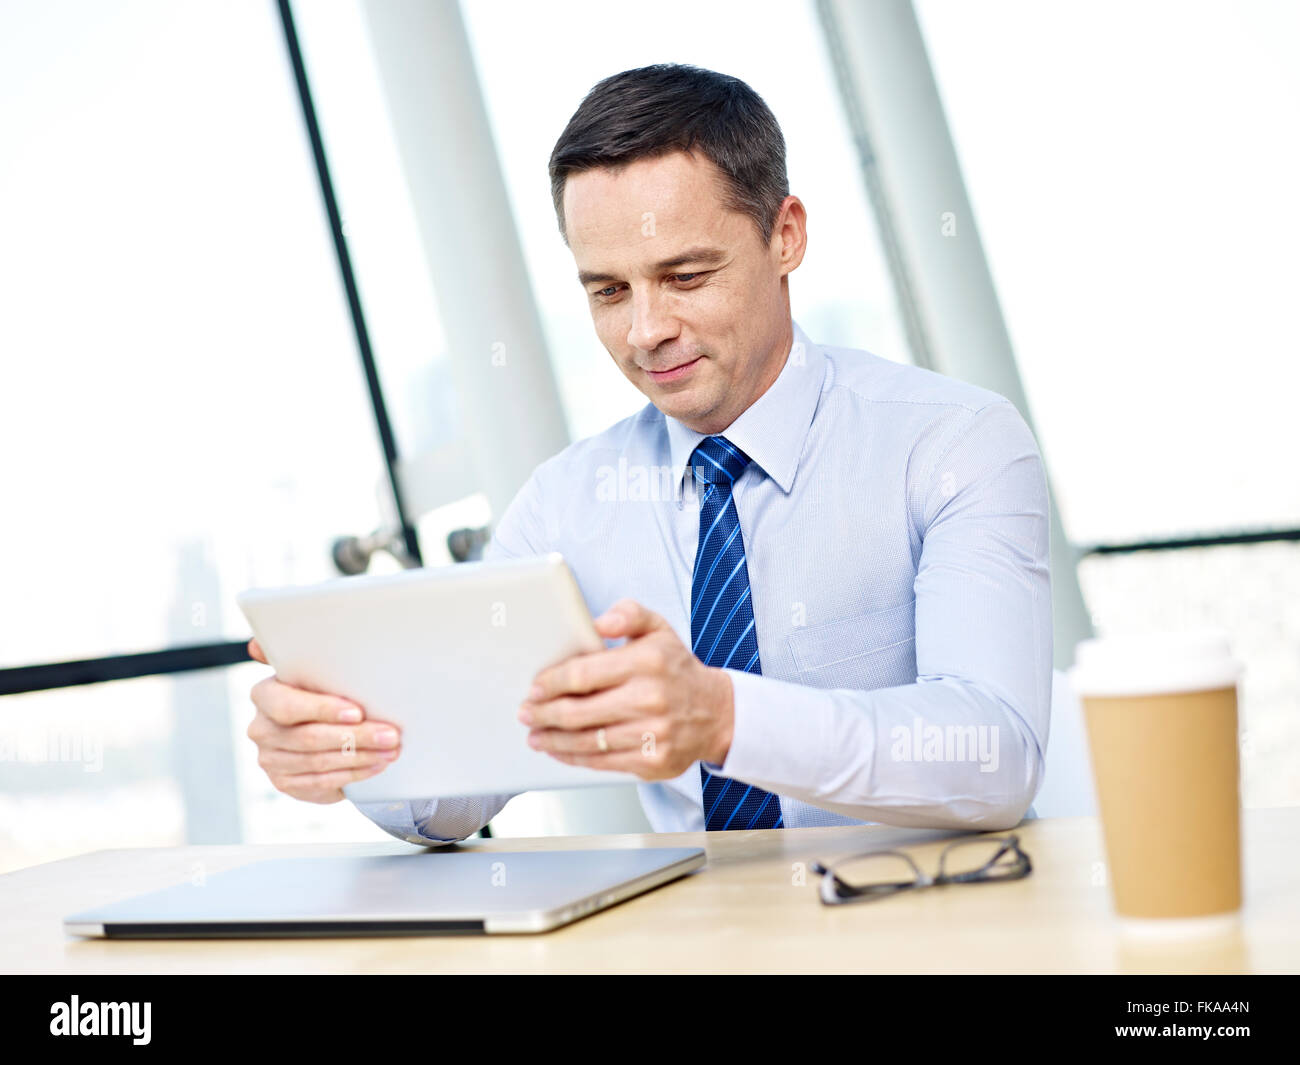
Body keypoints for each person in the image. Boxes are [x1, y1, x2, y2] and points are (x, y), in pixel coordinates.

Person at [247, 63, 1052, 845]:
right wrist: (357, 747)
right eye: (608, 291)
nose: (644, 331)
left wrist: (724, 716)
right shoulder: (564, 506)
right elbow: (455, 791)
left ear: (786, 236)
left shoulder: (952, 443)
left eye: (686, 276)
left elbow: (994, 751)